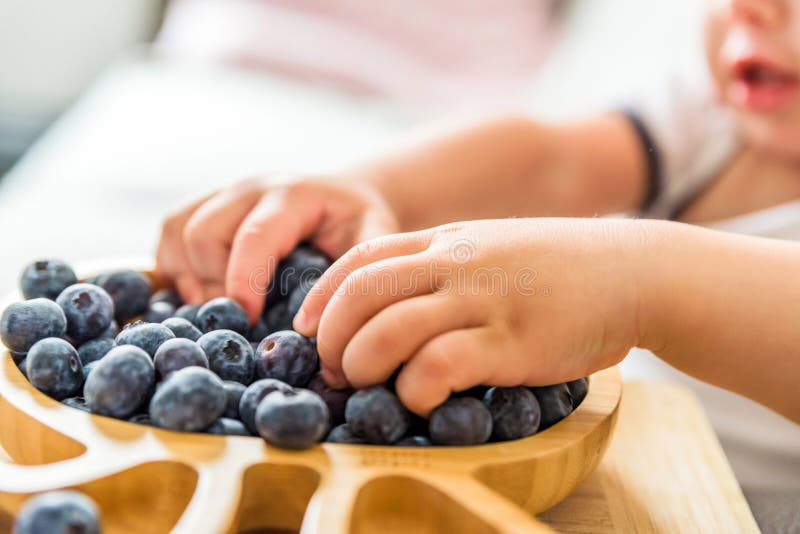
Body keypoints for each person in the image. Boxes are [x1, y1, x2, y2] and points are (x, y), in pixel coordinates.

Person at [155, 0, 800, 486]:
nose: (757, 7)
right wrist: (373, 187)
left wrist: (637, 282)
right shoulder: (717, 120)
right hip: (604, 475)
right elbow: (554, 160)